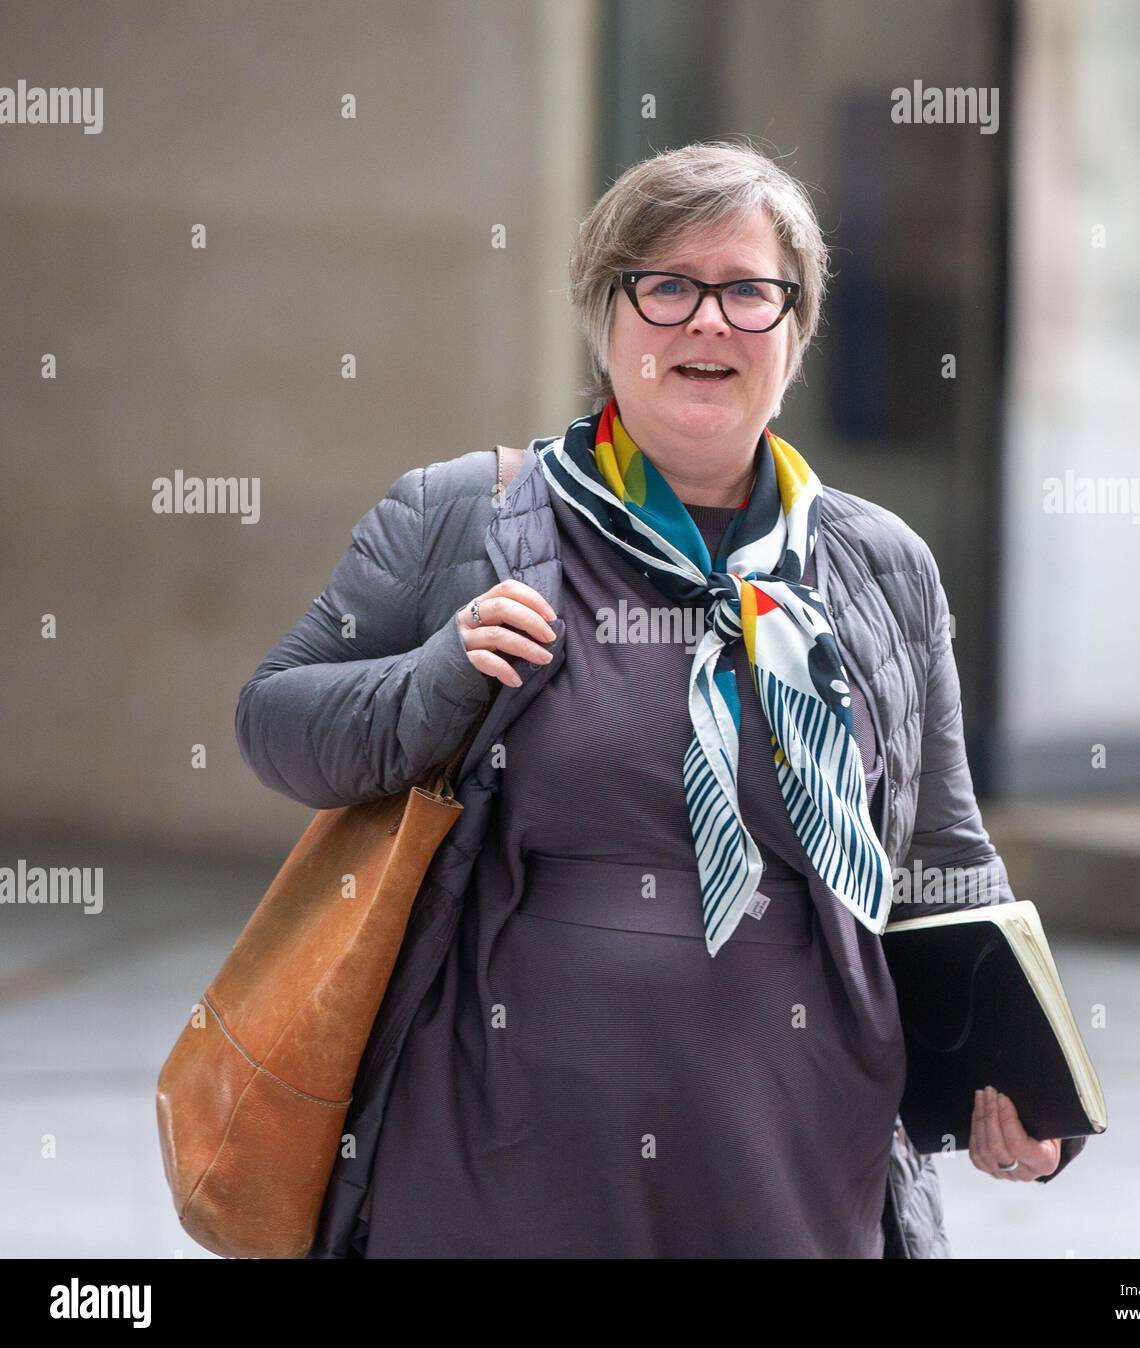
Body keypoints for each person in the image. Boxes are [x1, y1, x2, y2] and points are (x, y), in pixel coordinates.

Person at [236, 138, 1085, 1259]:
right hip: (502, 1136)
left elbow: (942, 850)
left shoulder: (880, 566)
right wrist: (437, 674)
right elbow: (277, 724)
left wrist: (1020, 1077)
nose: (707, 323)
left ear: (795, 330)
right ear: (606, 317)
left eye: (747, 291)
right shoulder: (461, 518)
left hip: (797, 1147)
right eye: (667, 287)